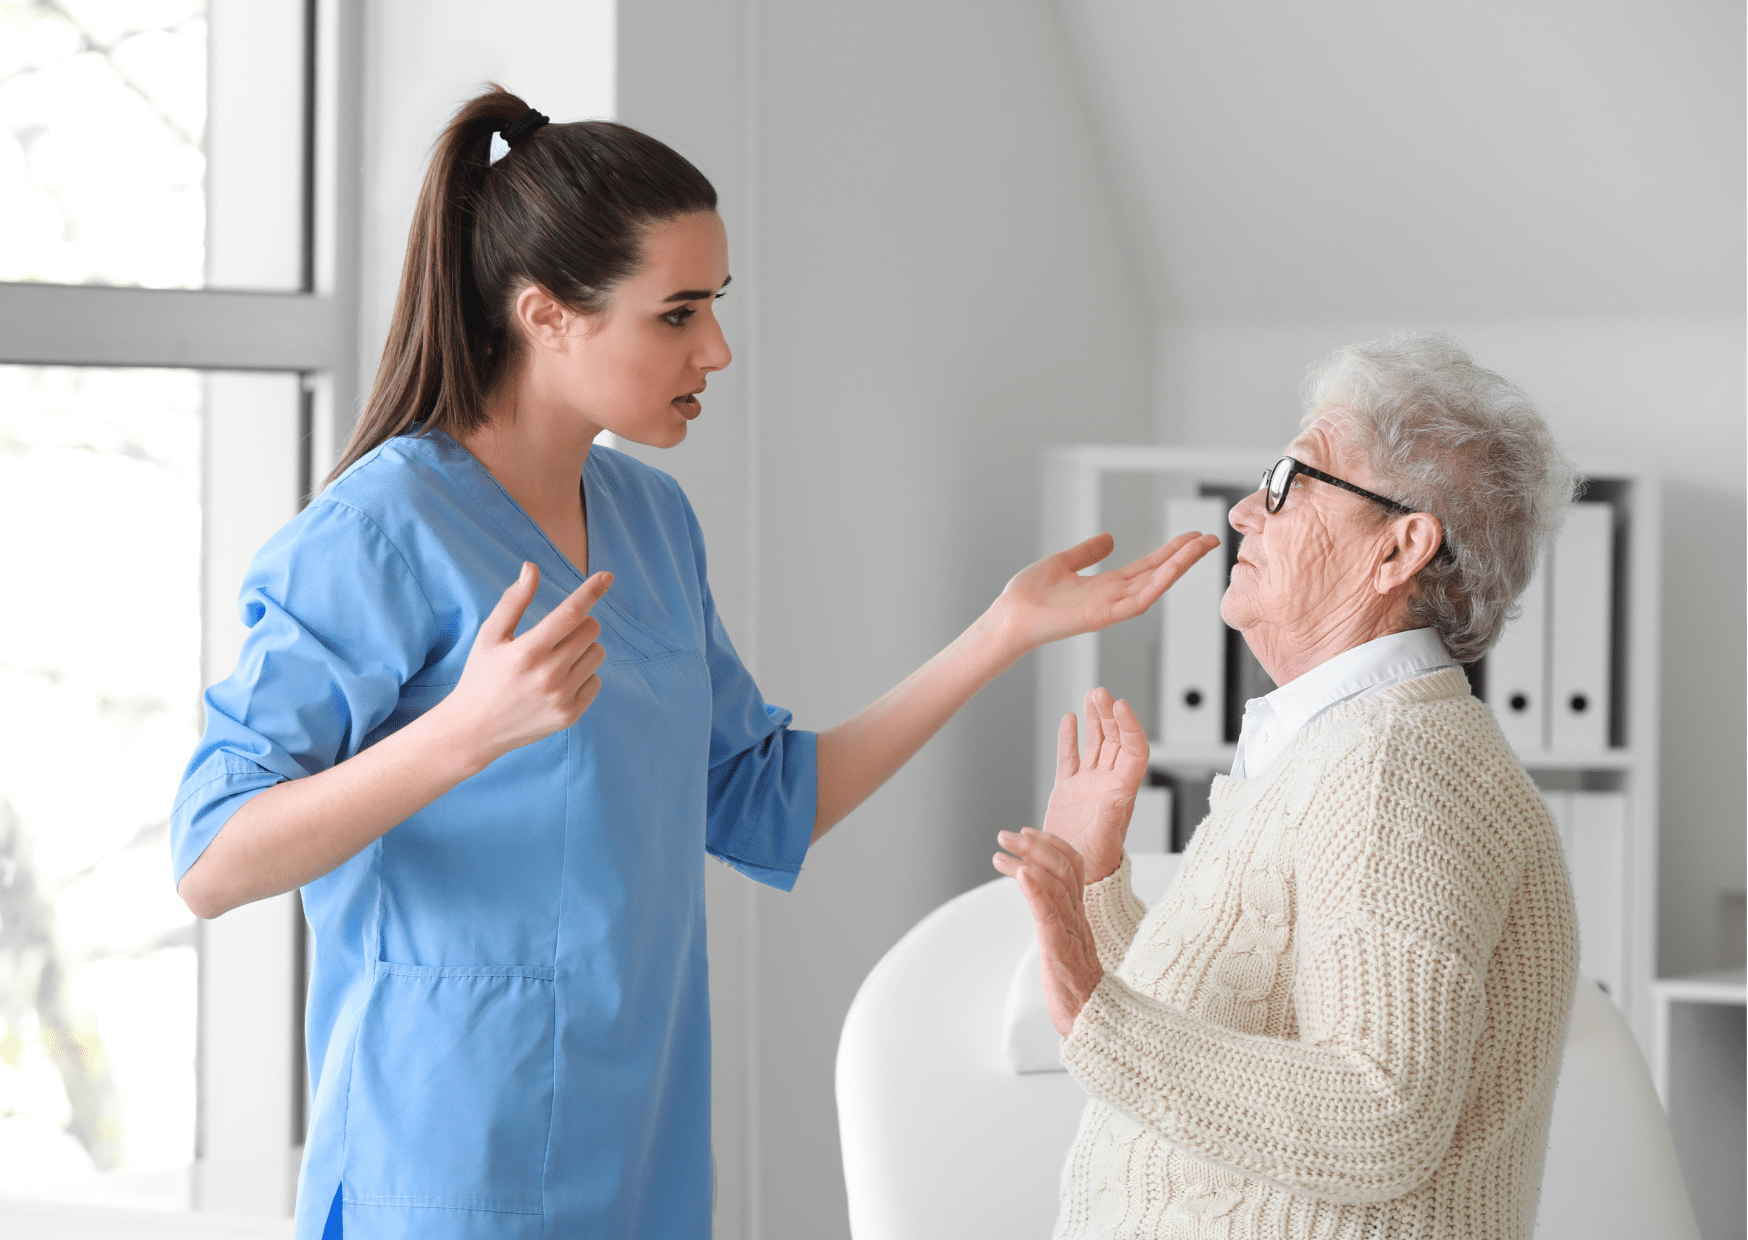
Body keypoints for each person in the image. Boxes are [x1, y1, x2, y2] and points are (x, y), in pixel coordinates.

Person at [168, 87, 1218, 1240]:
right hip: (448, 1163)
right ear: (544, 315)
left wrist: (999, 633)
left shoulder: (650, 520)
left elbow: (764, 796)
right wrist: (463, 732)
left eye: (714, 305)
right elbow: (213, 858)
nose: (714, 348)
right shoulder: (379, 530)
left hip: (642, 1153)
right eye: (676, 314)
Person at [997, 332, 1580, 1239]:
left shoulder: (1398, 767)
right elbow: (1221, 1027)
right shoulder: (1338, 744)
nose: (1241, 512)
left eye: (1287, 484)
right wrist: (1099, 883)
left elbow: (1382, 1109)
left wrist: (1092, 1010)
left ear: (1400, 550)